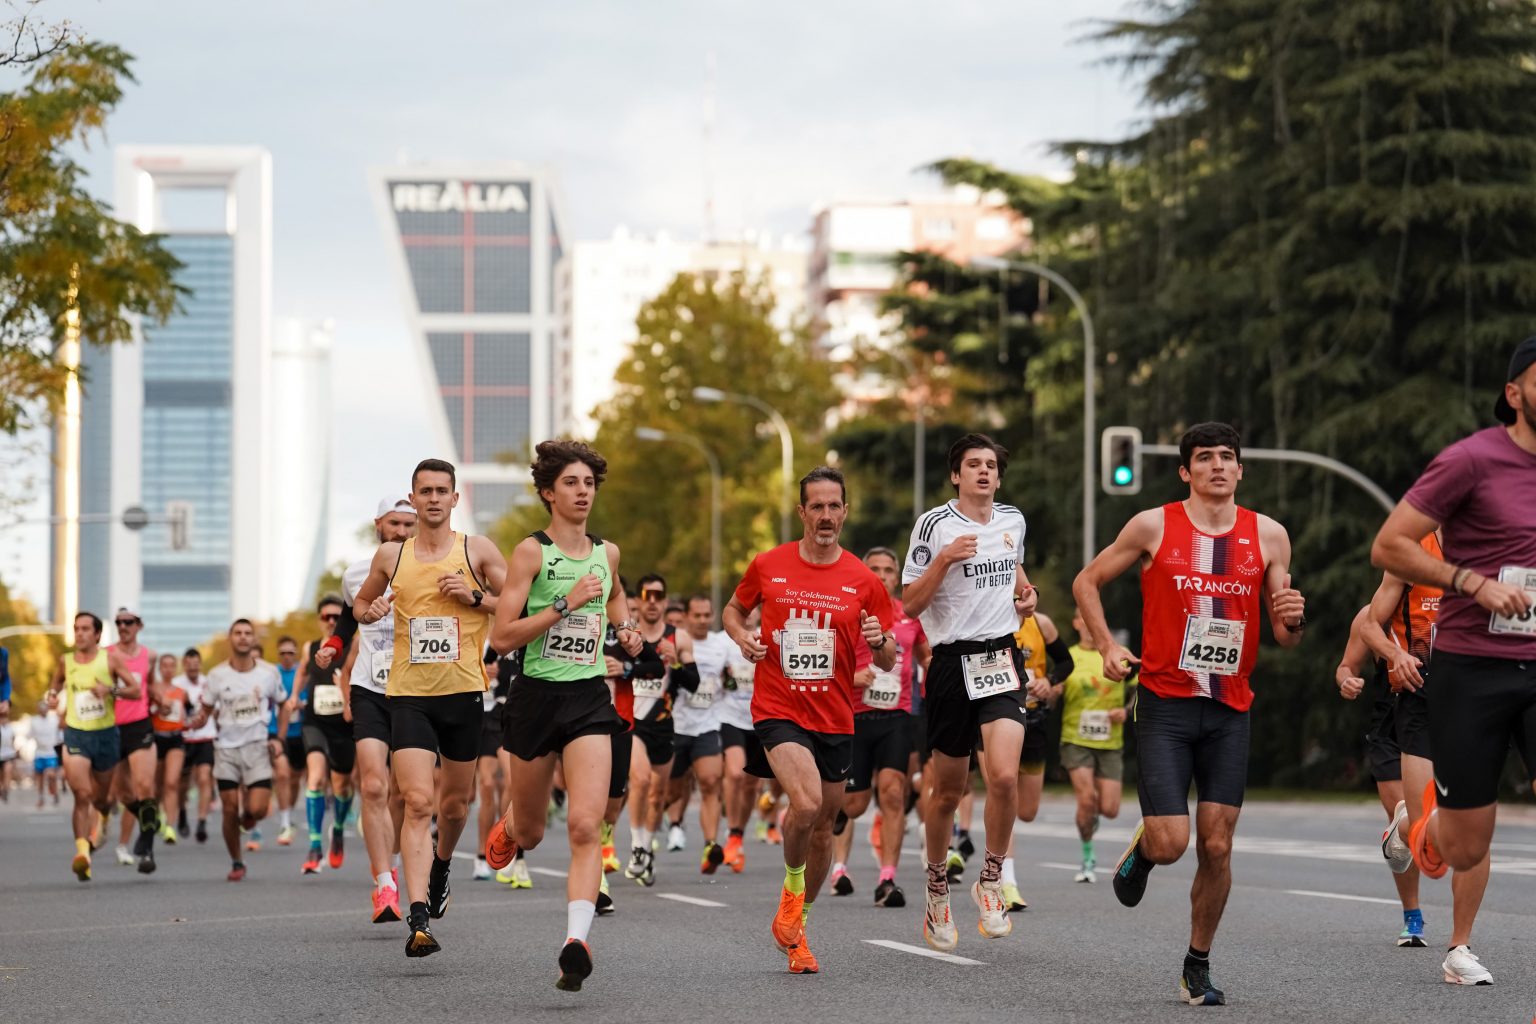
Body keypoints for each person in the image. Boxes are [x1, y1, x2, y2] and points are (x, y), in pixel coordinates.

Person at [1073, 421, 1306, 1007]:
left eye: (1227, 457)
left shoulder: (1270, 535)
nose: (1218, 467)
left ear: (1241, 469)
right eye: (1205, 459)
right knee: (1173, 841)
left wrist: (1293, 616)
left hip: (1231, 706)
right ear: (1186, 471)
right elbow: (1087, 581)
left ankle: (1196, 965)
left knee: (1219, 846)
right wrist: (1105, 646)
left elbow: (1285, 635)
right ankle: (1145, 850)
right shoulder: (1154, 524)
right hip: (1165, 704)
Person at [1369, 337, 1536, 987]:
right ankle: (1419, 823)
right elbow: (1390, 545)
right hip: (1472, 667)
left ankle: (1460, 948)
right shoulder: (1471, 460)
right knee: (1462, 844)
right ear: (1514, 394)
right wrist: (1470, 581)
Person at [725, 465, 896, 975]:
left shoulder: (865, 582)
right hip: (778, 708)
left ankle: (798, 925)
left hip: (836, 717)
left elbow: (887, 660)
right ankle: (792, 891)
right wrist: (742, 637)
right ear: (802, 512)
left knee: (825, 825)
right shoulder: (769, 564)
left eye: (833, 506)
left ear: (845, 511)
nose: (825, 515)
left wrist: (877, 640)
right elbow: (733, 611)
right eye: (816, 506)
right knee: (805, 802)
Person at [485, 439, 641, 991]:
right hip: (533, 698)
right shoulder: (532, 553)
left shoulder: (608, 551)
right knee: (528, 830)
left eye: (589, 484)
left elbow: (615, 593)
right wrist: (565, 603)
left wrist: (626, 629)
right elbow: (502, 637)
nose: (582, 493)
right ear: (549, 492)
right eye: (571, 484)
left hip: (588, 699)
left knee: (584, 825)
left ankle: (575, 943)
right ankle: (507, 825)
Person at [354, 459, 504, 958]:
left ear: (456, 499)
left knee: (455, 806)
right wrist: (370, 610)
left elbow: (520, 606)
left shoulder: (476, 550)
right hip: (409, 695)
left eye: (443, 490)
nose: (435, 498)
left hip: (463, 693)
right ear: (412, 499)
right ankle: (418, 919)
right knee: (417, 801)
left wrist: (475, 594)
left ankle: (442, 864)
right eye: (426, 491)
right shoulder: (391, 556)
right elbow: (360, 606)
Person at [902, 434, 1036, 950]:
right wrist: (945, 560)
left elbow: (1016, 569)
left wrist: (1028, 594)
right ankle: (937, 888)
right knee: (948, 791)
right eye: (972, 465)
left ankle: (992, 879)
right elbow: (909, 605)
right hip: (951, 663)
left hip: (1001, 656)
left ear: (998, 477)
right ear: (955, 475)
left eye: (990, 466)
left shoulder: (1013, 519)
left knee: (1003, 777)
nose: (983, 472)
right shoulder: (934, 526)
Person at [320, 496, 419, 920]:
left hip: (417, 690)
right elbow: (347, 617)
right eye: (394, 523)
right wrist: (333, 647)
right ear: (378, 524)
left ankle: (393, 864)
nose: (401, 531)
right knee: (374, 786)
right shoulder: (358, 573)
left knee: (404, 792)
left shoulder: (435, 568)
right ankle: (383, 886)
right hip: (369, 688)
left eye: (408, 525)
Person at [830, 546, 929, 908]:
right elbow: (824, 659)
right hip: (852, 715)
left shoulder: (907, 615)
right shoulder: (845, 609)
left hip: (896, 716)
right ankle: (838, 817)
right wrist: (853, 676)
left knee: (892, 793)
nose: (883, 576)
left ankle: (887, 879)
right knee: (855, 804)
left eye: (889, 569)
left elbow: (925, 654)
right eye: (875, 569)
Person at [1334, 603, 1428, 950]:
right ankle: (1412, 915)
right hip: (1391, 726)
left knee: (1436, 826)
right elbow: (1345, 666)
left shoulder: (1445, 601)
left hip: (1439, 718)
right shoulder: (1370, 616)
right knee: (1405, 817)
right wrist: (1347, 681)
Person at [188, 619, 287, 881]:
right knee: (229, 808)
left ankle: (249, 820)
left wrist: (279, 738)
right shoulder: (217, 676)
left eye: (247, 633)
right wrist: (197, 720)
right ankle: (236, 861)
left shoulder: (268, 673)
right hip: (226, 750)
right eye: (238, 633)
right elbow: (207, 709)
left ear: (254, 639)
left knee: (257, 809)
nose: (243, 638)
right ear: (230, 639)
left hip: (257, 747)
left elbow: (284, 704)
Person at [48, 611, 137, 881]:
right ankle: (83, 854)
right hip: (76, 734)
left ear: (97, 634)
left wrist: (110, 691)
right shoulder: (65, 662)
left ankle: (104, 820)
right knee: (82, 794)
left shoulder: (110, 660)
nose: (80, 633)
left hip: (106, 736)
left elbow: (135, 690)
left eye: (86, 629)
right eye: (77, 628)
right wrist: (53, 696)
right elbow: (55, 685)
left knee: (101, 799)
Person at [997, 603, 1074, 909]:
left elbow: (1066, 662)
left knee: (1026, 810)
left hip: (1034, 719)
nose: (1021, 599)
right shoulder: (988, 617)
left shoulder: (1042, 623)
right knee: (1004, 792)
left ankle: (996, 866)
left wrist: (1050, 681)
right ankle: (1005, 880)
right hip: (997, 717)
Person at [1055, 610, 1133, 885]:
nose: (1089, 626)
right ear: (1076, 623)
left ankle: (1091, 818)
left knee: (1110, 809)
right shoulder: (1070, 657)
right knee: (1086, 799)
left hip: (1110, 742)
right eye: (1083, 620)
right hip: (1076, 739)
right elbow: (1055, 689)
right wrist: (1053, 691)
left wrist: (1125, 710)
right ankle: (1088, 857)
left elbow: (1140, 687)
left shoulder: (1117, 653)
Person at [625, 573, 689, 879]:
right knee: (639, 780)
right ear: (637, 601)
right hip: (631, 722)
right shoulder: (628, 635)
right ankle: (637, 844)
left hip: (663, 723)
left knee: (658, 792)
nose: (652, 603)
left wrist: (676, 663)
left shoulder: (679, 637)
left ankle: (648, 845)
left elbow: (694, 682)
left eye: (658, 597)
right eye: (646, 597)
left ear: (664, 601)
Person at [287, 596, 355, 874]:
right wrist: (294, 696)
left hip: (344, 724)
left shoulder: (355, 645)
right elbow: (302, 671)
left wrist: (348, 696)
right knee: (315, 777)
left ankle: (336, 829)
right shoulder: (310, 647)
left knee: (342, 785)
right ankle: (315, 844)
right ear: (319, 619)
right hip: (314, 721)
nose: (331, 621)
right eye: (326, 616)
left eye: (336, 617)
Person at [668, 594, 731, 873]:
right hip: (675, 725)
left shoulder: (721, 644)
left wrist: (728, 680)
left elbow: (732, 677)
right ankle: (650, 835)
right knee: (666, 794)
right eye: (698, 615)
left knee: (710, 782)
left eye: (708, 615)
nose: (704, 620)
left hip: (708, 724)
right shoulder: (677, 640)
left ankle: (710, 846)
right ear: (687, 615)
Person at [107, 608, 163, 873]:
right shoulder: (106, 654)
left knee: (144, 785)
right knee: (122, 793)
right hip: (112, 727)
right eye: (119, 622)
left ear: (139, 625)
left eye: (128, 622)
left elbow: (148, 685)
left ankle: (148, 848)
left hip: (140, 724)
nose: (123, 626)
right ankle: (148, 819)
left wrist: (159, 699)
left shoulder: (149, 656)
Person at [717, 609, 763, 873]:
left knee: (751, 784)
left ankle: (737, 835)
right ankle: (732, 831)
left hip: (759, 719)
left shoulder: (769, 635)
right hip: (730, 717)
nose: (748, 614)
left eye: (753, 609)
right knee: (735, 773)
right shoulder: (723, 641)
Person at [176, 649, 216, 842]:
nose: (193, 667)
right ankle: (182, 810)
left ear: (200, 664)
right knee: (182, 782)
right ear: (184, 665)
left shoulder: (209, 682)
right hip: (184, 738)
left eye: (196, 663)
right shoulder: (177, 684)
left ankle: (201, 820)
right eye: (189, 663)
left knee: (204, 778)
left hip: (206, 737)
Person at [269, 636, 304, 846]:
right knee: (282, 774)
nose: (287, 657)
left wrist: (299, 704)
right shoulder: (272, 674)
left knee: (295, 777)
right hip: (275, 731)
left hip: (298, 731)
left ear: (296, 654)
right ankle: (285, 820)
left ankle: (288, 812)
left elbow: (310, 697)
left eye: (290, 653)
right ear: (278, 655)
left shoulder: (302, 673)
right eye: (283, 653)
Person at [151, 655, 187, 845]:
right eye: (164, 666)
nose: (168, 669)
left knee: (171, 783)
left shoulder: (181, 692)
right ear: (159, 668)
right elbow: (145, 712)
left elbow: (187, 714)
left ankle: (170, 826)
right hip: (156, 739)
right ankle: (156, 815)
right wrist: (158, 709)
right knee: (156, 785)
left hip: (175, 738)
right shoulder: (153, 689)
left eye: (172, 665)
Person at [30, 698, 63, 809]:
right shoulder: (34, 721)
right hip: (39, 753)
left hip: (51, 753)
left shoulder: (54, 720)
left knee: (51, 775)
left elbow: (60, 733)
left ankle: (54, 793)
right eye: (41, 708)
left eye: (45, 708)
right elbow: (30, 735)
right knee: (40, 778)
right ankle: (41, 798)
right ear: (38, 710)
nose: (43, 710)